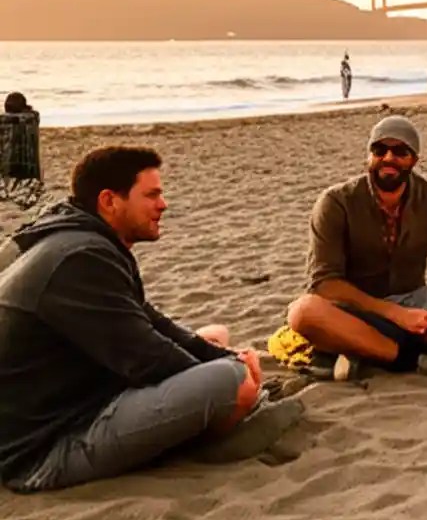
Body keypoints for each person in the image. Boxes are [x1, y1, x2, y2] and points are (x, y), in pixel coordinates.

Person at [0, 147, 292, 492]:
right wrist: (238, 374)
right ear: (109, 201)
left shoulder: (77, 240)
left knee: (215, 339)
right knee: (228, 381)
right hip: (45, 448)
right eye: (152, 194)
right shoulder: (80, 258)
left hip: (80, 396)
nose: (163, 204)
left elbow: (153, 323)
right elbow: (147, 359)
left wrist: (225, 356)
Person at [287, 115, 427, 382]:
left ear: (414, 160)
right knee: (303, 313)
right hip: (356, 310)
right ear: (368, 157)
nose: (388, 158)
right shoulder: (336, 202)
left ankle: (370, 351)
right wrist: (394, 314)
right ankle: (413, 358)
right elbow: (325, 284)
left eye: (400, 151)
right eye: (379, 150)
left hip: (415, 305)